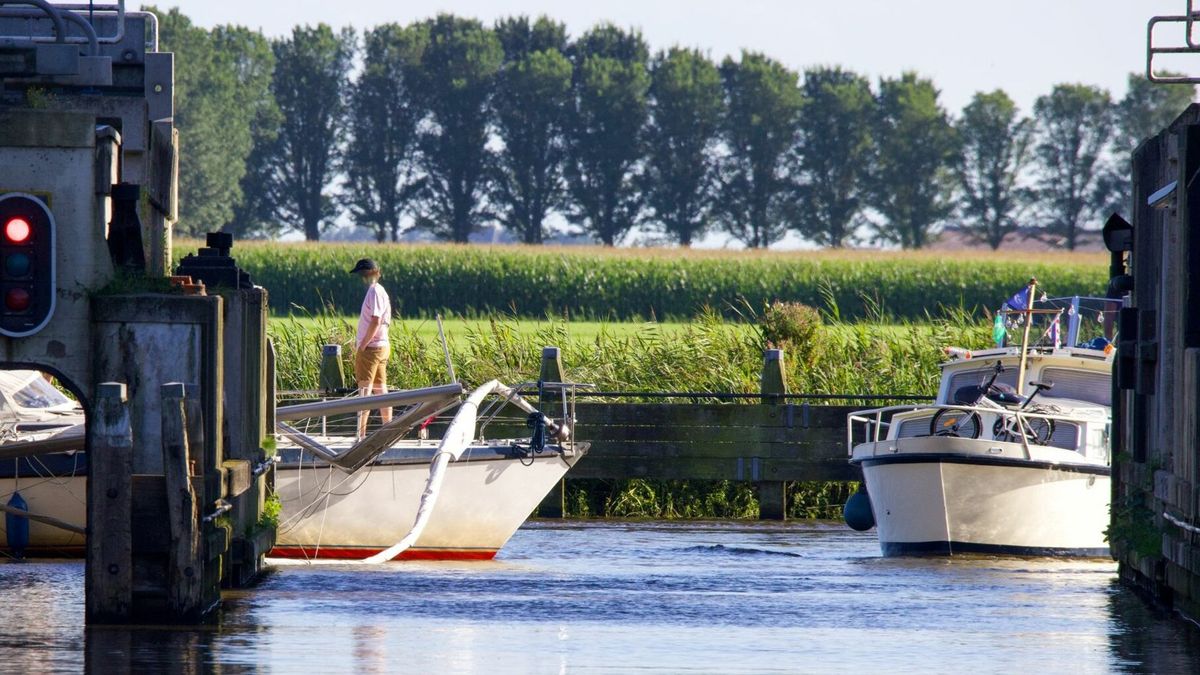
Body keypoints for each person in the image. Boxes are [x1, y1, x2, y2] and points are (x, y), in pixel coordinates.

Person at [350, 258, 392, 439]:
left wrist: (363, 344)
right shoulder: (381, 291)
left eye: (362, 274)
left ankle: (361, 436)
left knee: (364, 393)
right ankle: (389, 431)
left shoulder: (374, 291)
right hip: (382, 346)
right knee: (381, 391)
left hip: (372, 349)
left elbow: (375, 320)